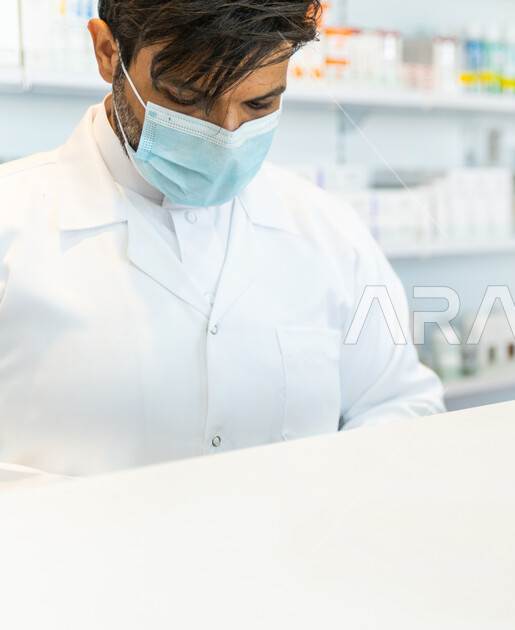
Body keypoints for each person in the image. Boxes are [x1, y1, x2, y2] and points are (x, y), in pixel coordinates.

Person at [0, 0, 444, 478]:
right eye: (187, 98)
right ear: (109, 52)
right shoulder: (13, 223)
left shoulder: (329, 232)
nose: (226, 133)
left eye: (259, 104)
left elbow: (400, 403)